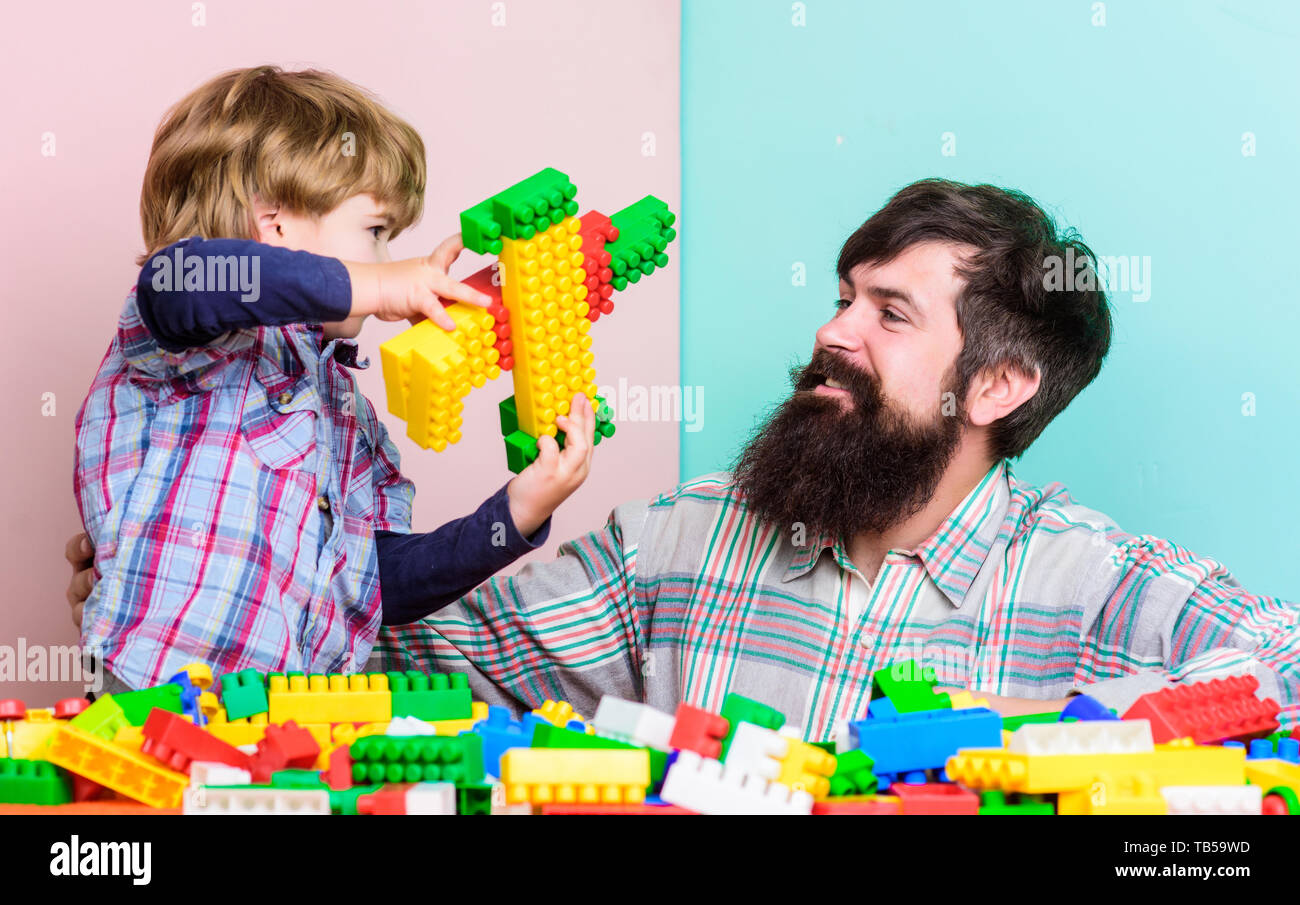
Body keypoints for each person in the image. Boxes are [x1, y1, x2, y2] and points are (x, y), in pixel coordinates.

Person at [68, 178, 1299, 738]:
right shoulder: (694, 533)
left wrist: (1054, 738)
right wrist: (230, 550)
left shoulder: (1079, 580)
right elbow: (402, 659)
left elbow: (1285, 663)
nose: (832, 331)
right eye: (840, 298)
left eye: (889, 313)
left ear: (999, 383)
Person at [70, 66, 596, 694]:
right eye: (376, 232)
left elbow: (373, 586)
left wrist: (513, 515)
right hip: (155, 694)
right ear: (275, 226)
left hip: (292, 724)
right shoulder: (193, 341)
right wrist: (374, 284)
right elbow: (181, 280)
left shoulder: (350, 420)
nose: (388, 257)